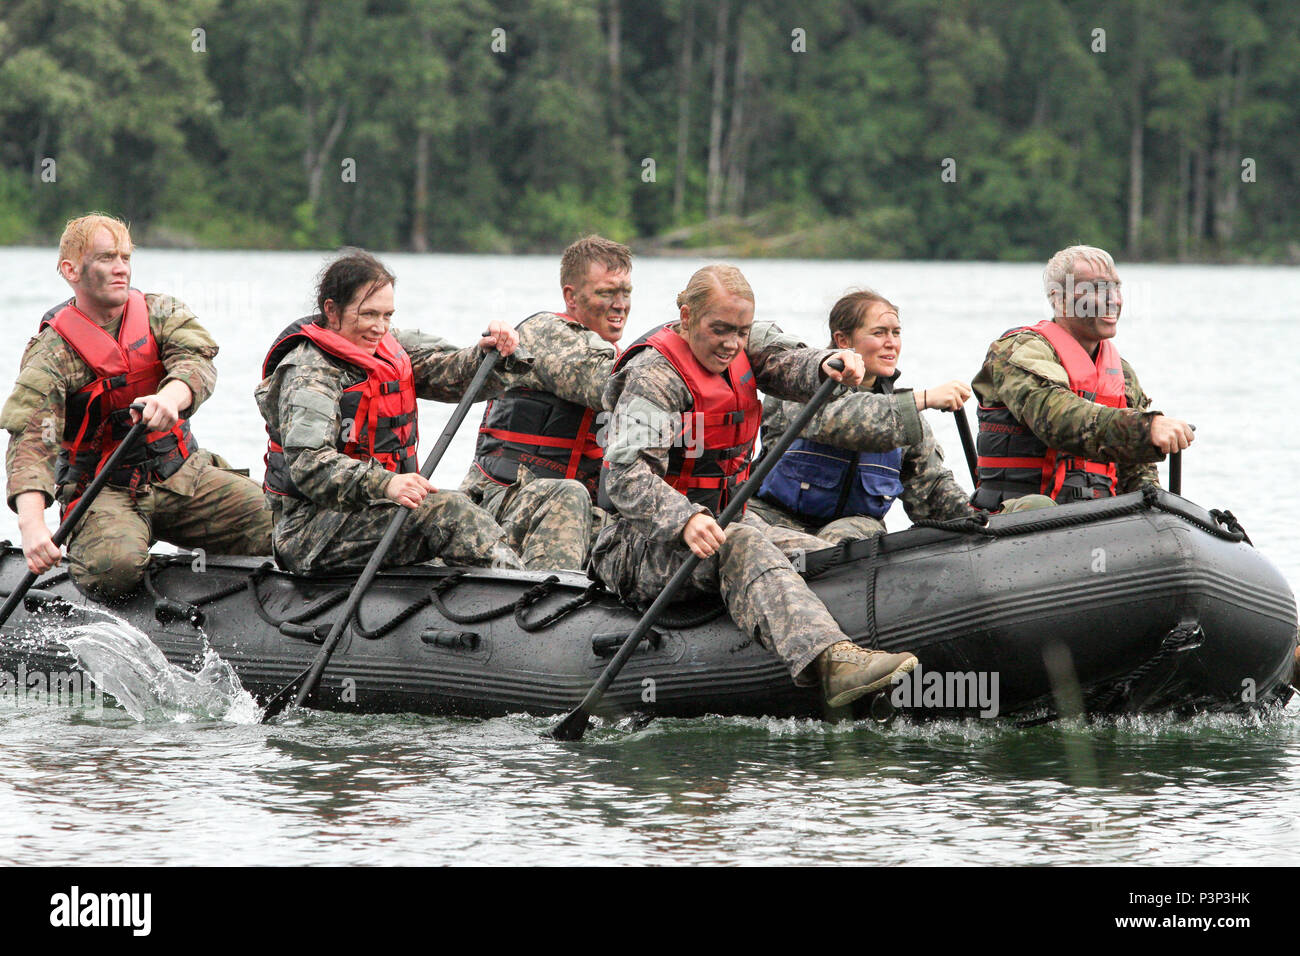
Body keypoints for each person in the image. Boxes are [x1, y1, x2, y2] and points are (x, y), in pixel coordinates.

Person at [591, 264, 919, 709]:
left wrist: (825, 364)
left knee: (824, 553)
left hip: (723, 524)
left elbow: (790, 361)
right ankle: (833, 664)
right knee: (742, 539)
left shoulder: (746, 344)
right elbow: (625, 475)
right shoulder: (653, 378)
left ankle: (876, 652)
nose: (731, 343)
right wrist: (684, 519)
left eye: (741, 332)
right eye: (719, 329)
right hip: (639, 546)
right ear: (686, 317)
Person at [1, 213, 272, 601]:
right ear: (71, 270)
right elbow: (30, 440)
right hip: (104, 489)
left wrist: (169, 398)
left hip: (181, 475)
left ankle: (201, 554)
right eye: (107, 258)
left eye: (126, 258)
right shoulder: (52, 353)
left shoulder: (161, 312)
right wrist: (31, 526)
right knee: (112, 571)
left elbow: (197, 362)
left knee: (281, 525)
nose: (121, 268)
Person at [255, 249, 527, 574]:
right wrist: (386, 484)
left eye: (387, 315)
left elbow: (455, 375)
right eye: (368, 314)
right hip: (309, 531)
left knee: (465, 505)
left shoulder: (389, 347)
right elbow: (310, 466)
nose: (380, 327)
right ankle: (516, 595)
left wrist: (493, 352)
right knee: (449, 512)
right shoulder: (309, 372)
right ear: (332, 311)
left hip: (374, 509)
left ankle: (504, 589)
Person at [970, 244, 1195, 511]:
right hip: (1017, 519)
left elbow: (1137, 474)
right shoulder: (1018, 351)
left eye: (1116, 288)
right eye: (1098, 289)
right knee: (1037, 506)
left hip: (1091, 524)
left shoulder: (1122, 375)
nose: (1114, 300)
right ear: (1058, 298)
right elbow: (1057, 418)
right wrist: (1145, 428)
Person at [749, 289, 976, 542]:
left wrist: (979, 518)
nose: (891, 343)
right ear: (843, 340)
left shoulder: (908, 417)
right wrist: (923, 399)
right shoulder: (797, 389)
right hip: (777, 526)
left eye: (896, 333)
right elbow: (844, 419)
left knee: (852, 531)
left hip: (851, 541)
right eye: (879, 333)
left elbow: (931, 491)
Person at [460, 235, 631, 570]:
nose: (620, 304)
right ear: (571, 296)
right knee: (569, 495)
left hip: (579, 509)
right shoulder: (545, 335)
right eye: (607, 293)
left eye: (625, 293)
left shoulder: (623, 359)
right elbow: (605, 385)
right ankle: (545, 606)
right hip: (503, 504)